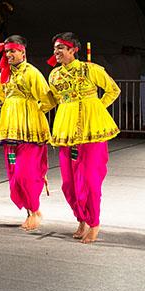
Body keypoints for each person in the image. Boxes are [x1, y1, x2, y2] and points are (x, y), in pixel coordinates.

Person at [40, 32, 120, 244]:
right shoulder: (54, 75)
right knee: (69, 183)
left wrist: (97, 109)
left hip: (91, 130)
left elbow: (113, 90)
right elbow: (53, 99)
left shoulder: (90, 69)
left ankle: (94, 222)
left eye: (61, 48)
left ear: (73, 50)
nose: (56, 52)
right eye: (55, 48)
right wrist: (34, 109)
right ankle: (81, 218)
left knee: (90, 179)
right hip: (66, 129)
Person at [0, 36, 51, 231]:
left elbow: (47, 98)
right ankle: (29, 210)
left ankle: (34, 210)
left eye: (13, 51)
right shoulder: (3, 75)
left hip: (30, 130)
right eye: (7, 51)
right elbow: (1, 94)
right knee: (14, 175)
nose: (9, 55)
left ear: (23, 52)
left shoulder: (32, 72)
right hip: (10, 128)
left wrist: (33, 112)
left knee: (25, 172)